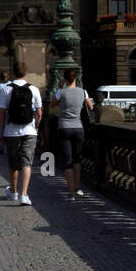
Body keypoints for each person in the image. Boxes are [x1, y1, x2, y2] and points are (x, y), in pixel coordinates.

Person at [0, 62, 42, 206]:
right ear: (26, 72)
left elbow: (1, 114)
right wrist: (37, 127)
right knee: (27, 163)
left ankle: (14, 191)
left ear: (13, 72)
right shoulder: (33, 89)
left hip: (11, 132)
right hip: (29, 131)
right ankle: (24, 194)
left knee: (13, 163)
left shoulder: (6, 89)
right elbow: (39, 113)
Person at [50, 68, 94, 201]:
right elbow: (91, 107)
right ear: (75, 78)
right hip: (78, 128)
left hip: (64, 127)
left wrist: (59, 88)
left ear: (64, 79)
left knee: (67, 160)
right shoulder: (83, 92)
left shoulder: (61, 92)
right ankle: (78, 187)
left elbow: (52, 105)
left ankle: (71, 193)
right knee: (77, 158)